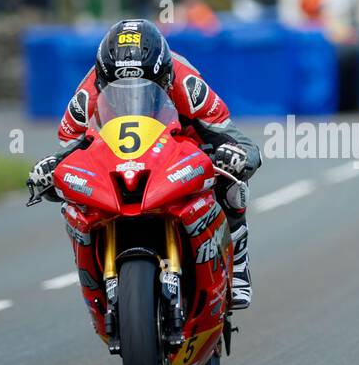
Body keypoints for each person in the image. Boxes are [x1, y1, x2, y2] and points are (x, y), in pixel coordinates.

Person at [27, 19, 262, 312]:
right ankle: (93, 271)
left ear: (164, 77)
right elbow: (68, 156)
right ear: (102, 80)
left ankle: (239, 266)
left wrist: (235, 155)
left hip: (180, 153)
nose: (133, 96)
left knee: (232, 180)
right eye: (119, 87)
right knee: (73, 204)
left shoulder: (187, 83)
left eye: (145, 87)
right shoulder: (85, 98)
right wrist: (48, 172)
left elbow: (240, 142)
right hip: (113, 158)